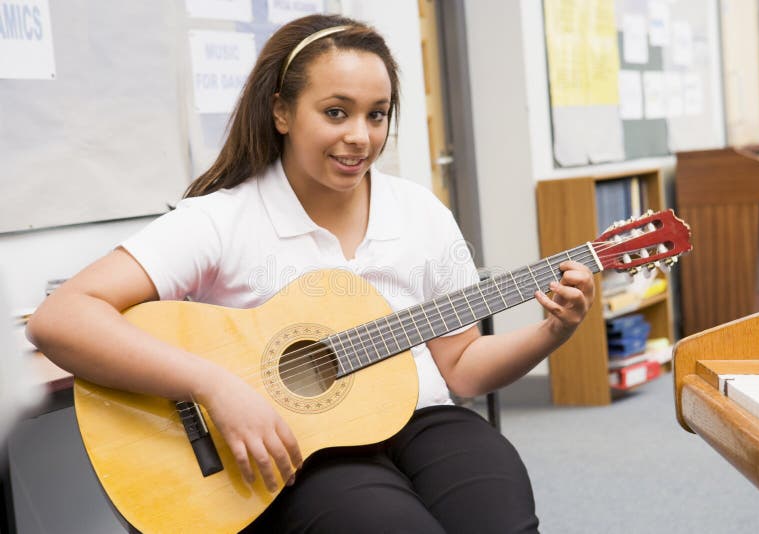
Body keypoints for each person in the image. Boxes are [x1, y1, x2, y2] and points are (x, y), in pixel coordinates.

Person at [26, 14, 594, 533]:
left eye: (377, 115)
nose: (360, 136)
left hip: (425, 422)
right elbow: (62, 318)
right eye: (335, 112)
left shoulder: (421, 213)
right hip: (300, 453)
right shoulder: (223, 219)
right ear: (281, 112)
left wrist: (552, 332)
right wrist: (213, 385)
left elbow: (463, 371)